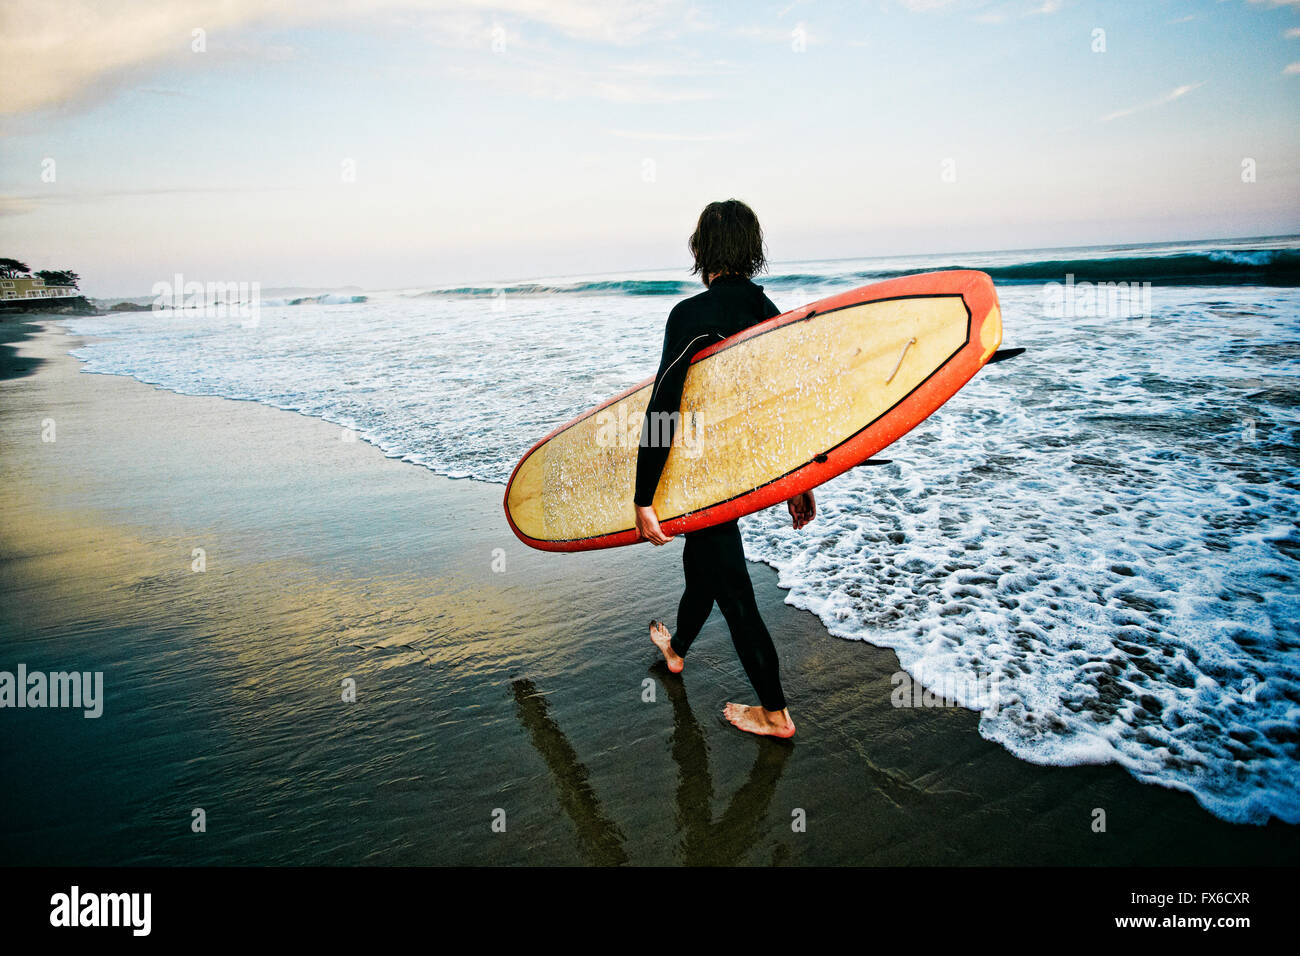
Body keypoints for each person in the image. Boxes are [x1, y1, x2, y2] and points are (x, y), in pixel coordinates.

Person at [634, 199, 815, 739]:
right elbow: (780, 409)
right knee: (705, 566)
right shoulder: (769, 313)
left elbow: (664, 408)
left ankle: (776, 714)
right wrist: (797, 484)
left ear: (701, 250)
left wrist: (643, 497)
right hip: (746, 476)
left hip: (703, 479)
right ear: (752, 250)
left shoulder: (690, 316)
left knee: (734, 592)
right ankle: (677, 650)